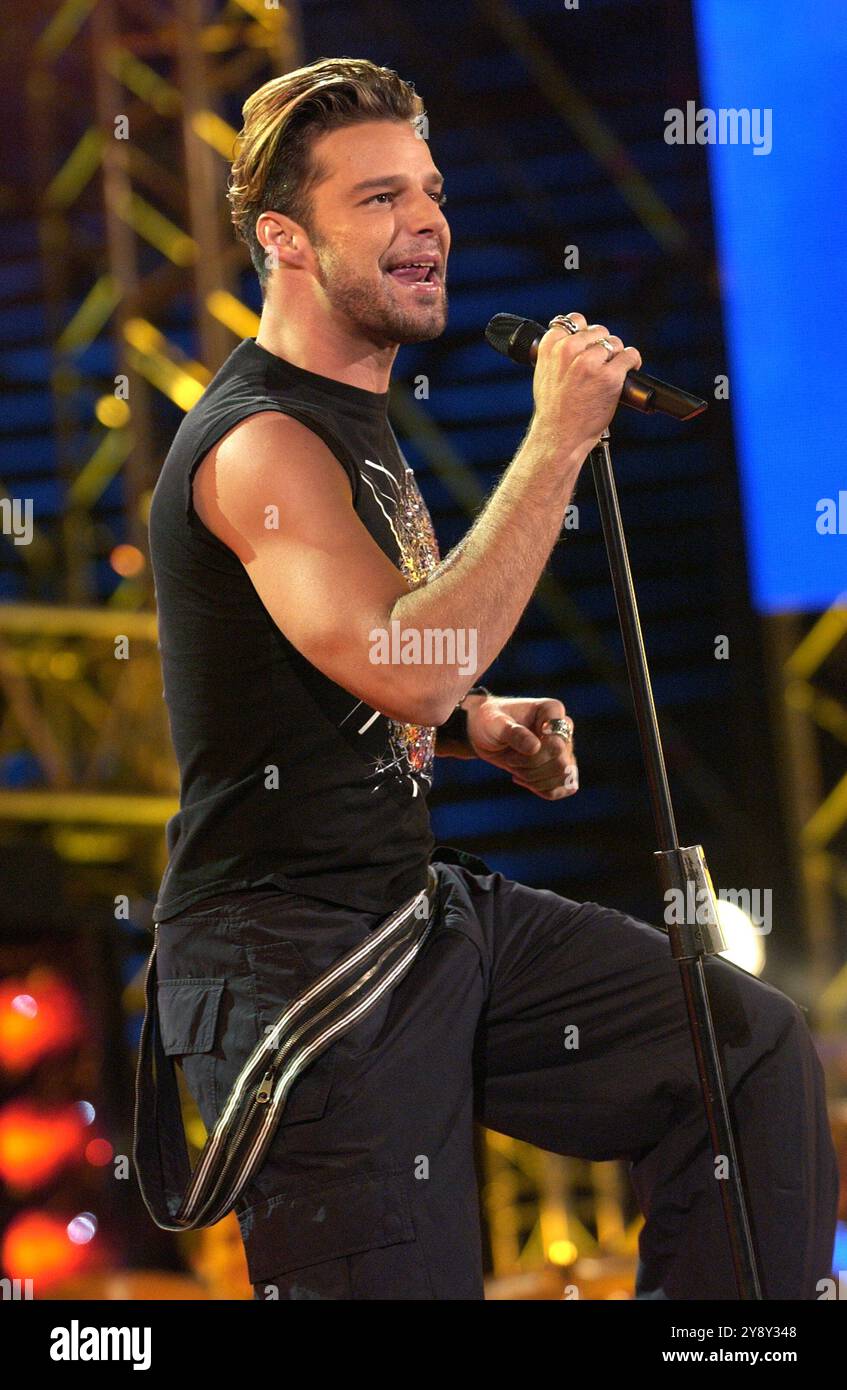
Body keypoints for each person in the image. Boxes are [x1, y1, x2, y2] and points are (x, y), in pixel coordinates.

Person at [137, 56, 838, 1300]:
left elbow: (346, 660)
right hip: (294, 960)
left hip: (408, 911)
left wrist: (476, 723)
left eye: (433, 190)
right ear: (285, 241)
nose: (428, 224)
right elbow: (400, 660)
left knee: (742, 1051)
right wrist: (559, 435)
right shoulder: (258, 443)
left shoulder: (352, 420)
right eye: (379, 199)